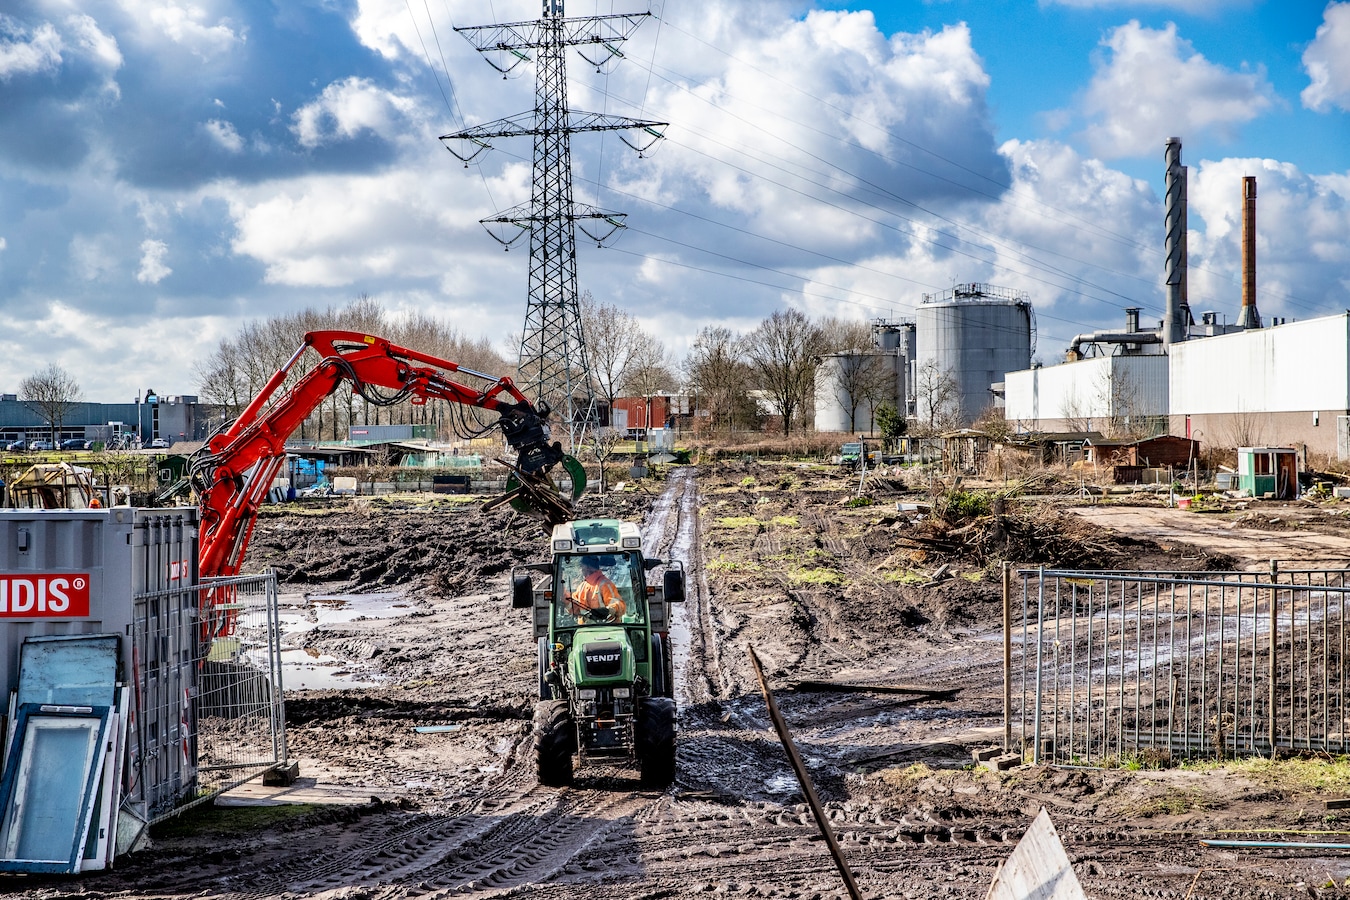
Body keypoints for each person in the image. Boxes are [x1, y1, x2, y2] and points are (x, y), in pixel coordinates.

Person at [565, 555, 626, 623]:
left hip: (607, 629)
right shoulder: (582, 586)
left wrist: (608, 610)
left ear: (588, 567)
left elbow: (619, 605)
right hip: (585, 629)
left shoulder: (605, 585)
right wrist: (563, 595)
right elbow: (574, 607)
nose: (581, 569)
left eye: (582, 566)